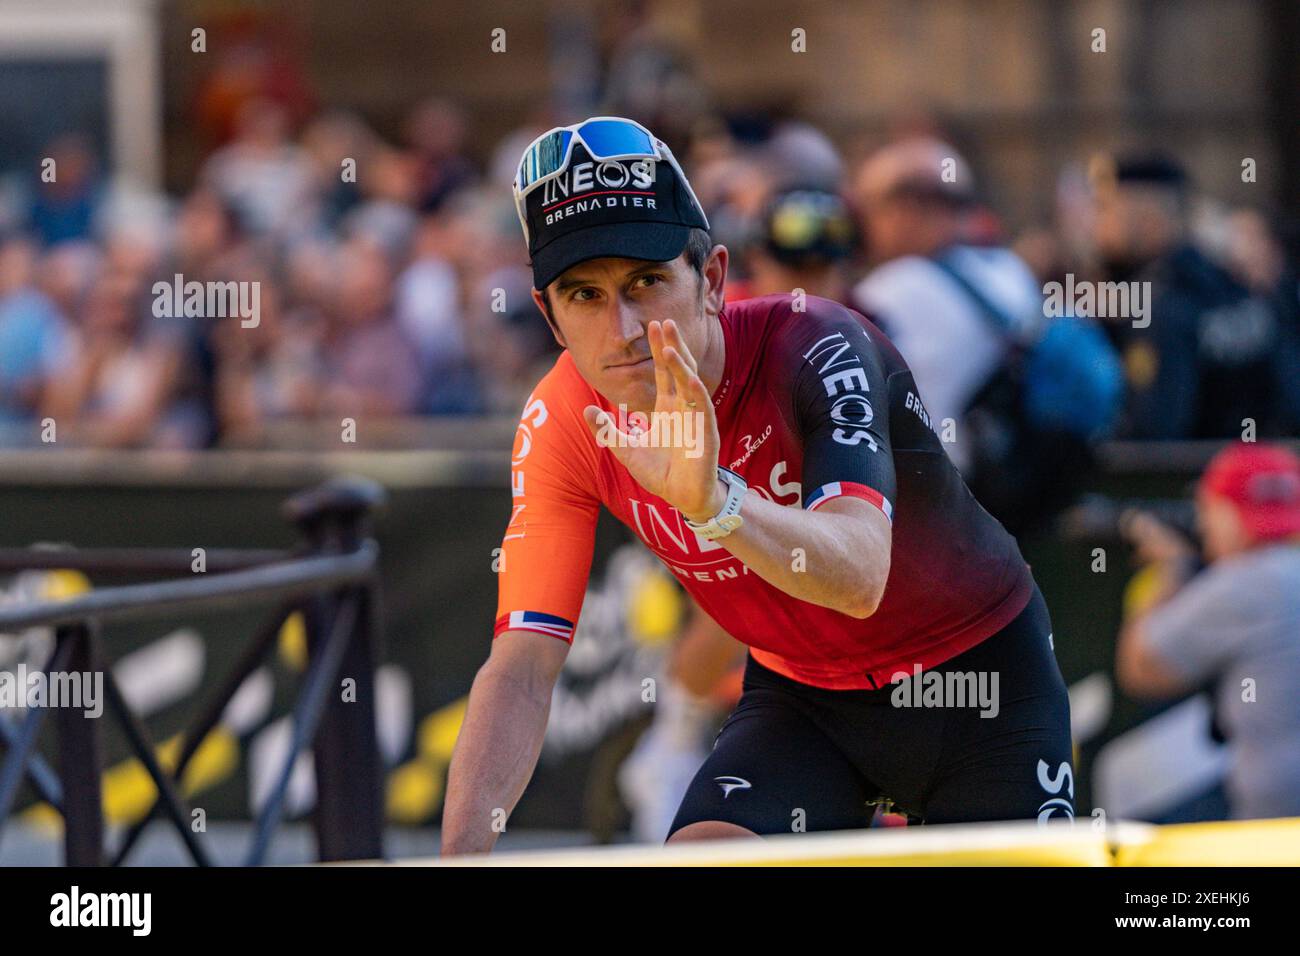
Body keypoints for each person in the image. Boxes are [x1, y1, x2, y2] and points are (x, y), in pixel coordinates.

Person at [441, 117, 1073, 854]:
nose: (624, 328)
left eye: (647, 282)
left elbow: (861, 575)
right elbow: (521, 666)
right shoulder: (563, 420)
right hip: (805, 702)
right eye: (584, 296)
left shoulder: (817, 341)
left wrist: (716, 503)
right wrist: (462, 854)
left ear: (709, 279)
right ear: (548, 316)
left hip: (979, 678)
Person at [1116, 442, 1300, 820]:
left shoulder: (1246, 582)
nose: (1202, 525)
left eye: (1208, 510)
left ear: (1230, 515)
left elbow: (1141, 669)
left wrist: (1166, 572)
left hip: (1277, 831)